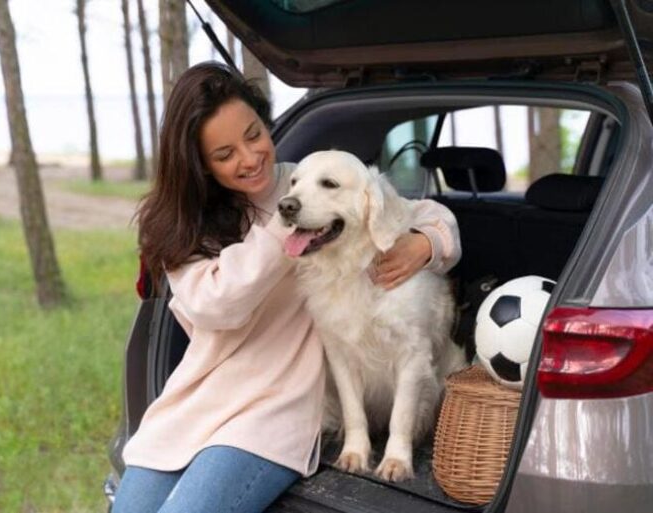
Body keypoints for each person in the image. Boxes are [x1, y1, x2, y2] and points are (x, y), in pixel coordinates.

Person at [112, 62, 461, 513]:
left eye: (254, 134)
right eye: (224, 154)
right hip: (201, 396)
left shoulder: (307, 180)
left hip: (277, 410)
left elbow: (420, 211)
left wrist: (426, 242)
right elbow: (218, 305)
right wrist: (289, 221)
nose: (250, 157)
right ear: (200, 165)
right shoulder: (187, 227)